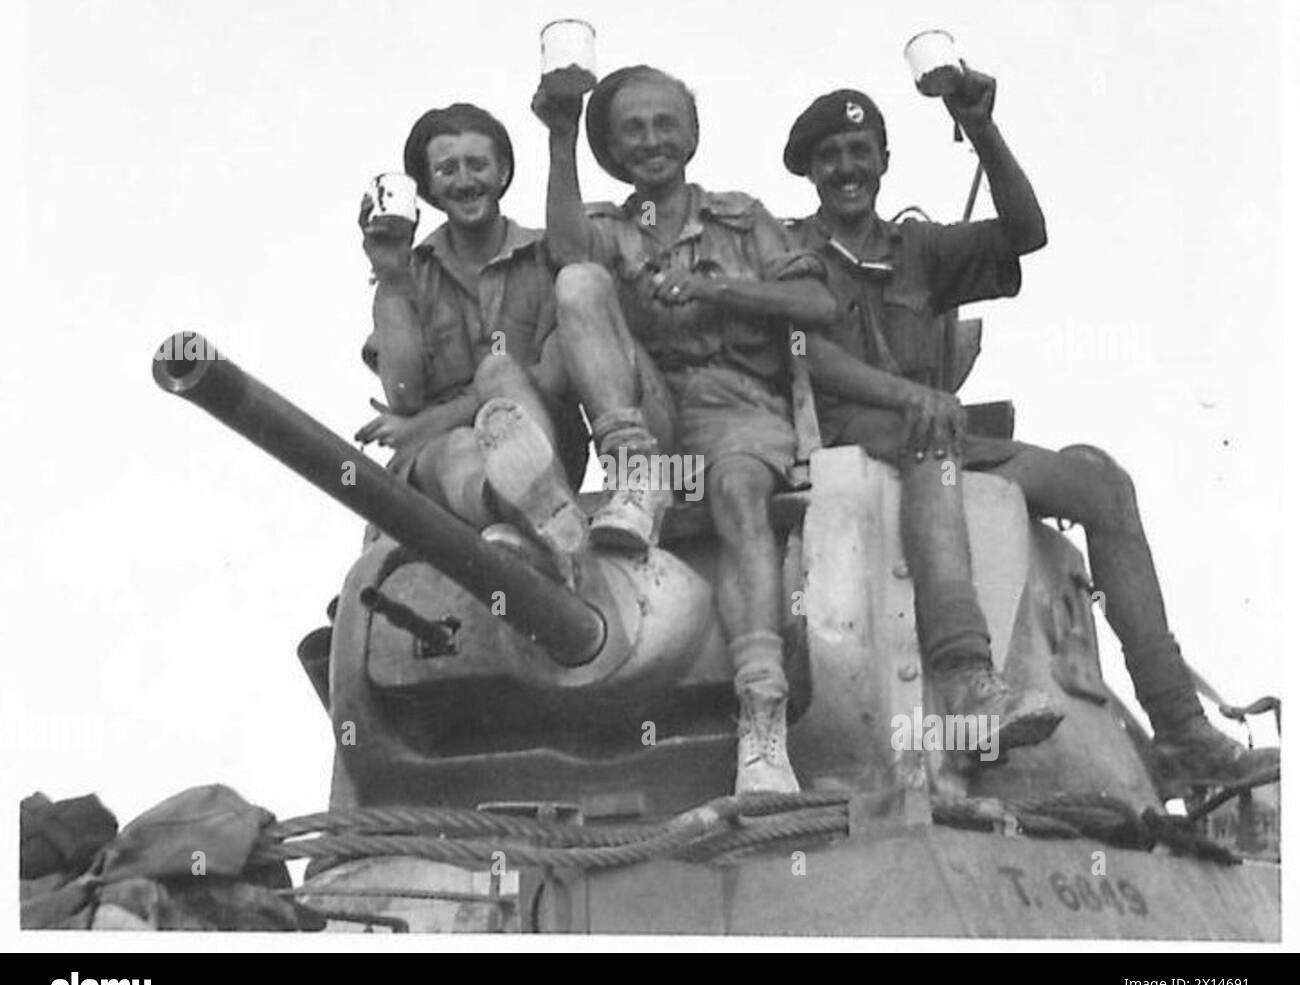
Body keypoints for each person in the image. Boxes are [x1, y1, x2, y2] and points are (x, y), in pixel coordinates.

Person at [782, 77, 1277, 786]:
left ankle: (1181, 727)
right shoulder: (789, 246)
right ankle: (966, 679)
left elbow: (1026, 232)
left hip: (938, 433)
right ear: (808, 169)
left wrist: (979, 126)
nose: (846, 168)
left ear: (885, 160)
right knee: (934, 447)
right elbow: (805, 352)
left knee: (1102, 485)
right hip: (849, 441)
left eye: (860, 150)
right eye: (828, 155)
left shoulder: (918, 247)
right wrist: (909, 394)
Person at [532, 65, 838, 793]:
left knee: (737, 493)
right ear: (613, 145)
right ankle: (637, 474)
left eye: (665, 124)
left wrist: (715, 287)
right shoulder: (610, 226)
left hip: (738, 405)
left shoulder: (739, 216)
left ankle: (761, 720)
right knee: (579, 284)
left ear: (693, 135)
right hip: (650, 409)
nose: (651, 140)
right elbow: (567, 256)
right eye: (631, 129)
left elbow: (816, 303)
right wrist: (561, 139)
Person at [354, 103, 589, 582]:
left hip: (546, 444)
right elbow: (404, 394)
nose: (464, 181)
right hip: (438, 467)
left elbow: (551, 377)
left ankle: (535, 506)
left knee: (499, 372)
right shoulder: (409, 274)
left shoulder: (548, 257)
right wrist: (392, 276)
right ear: (427, 186)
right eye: (446, 169)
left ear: (502, 173)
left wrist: (423, 424)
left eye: (477, 165)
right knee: (459, 446)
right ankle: (521, 516)